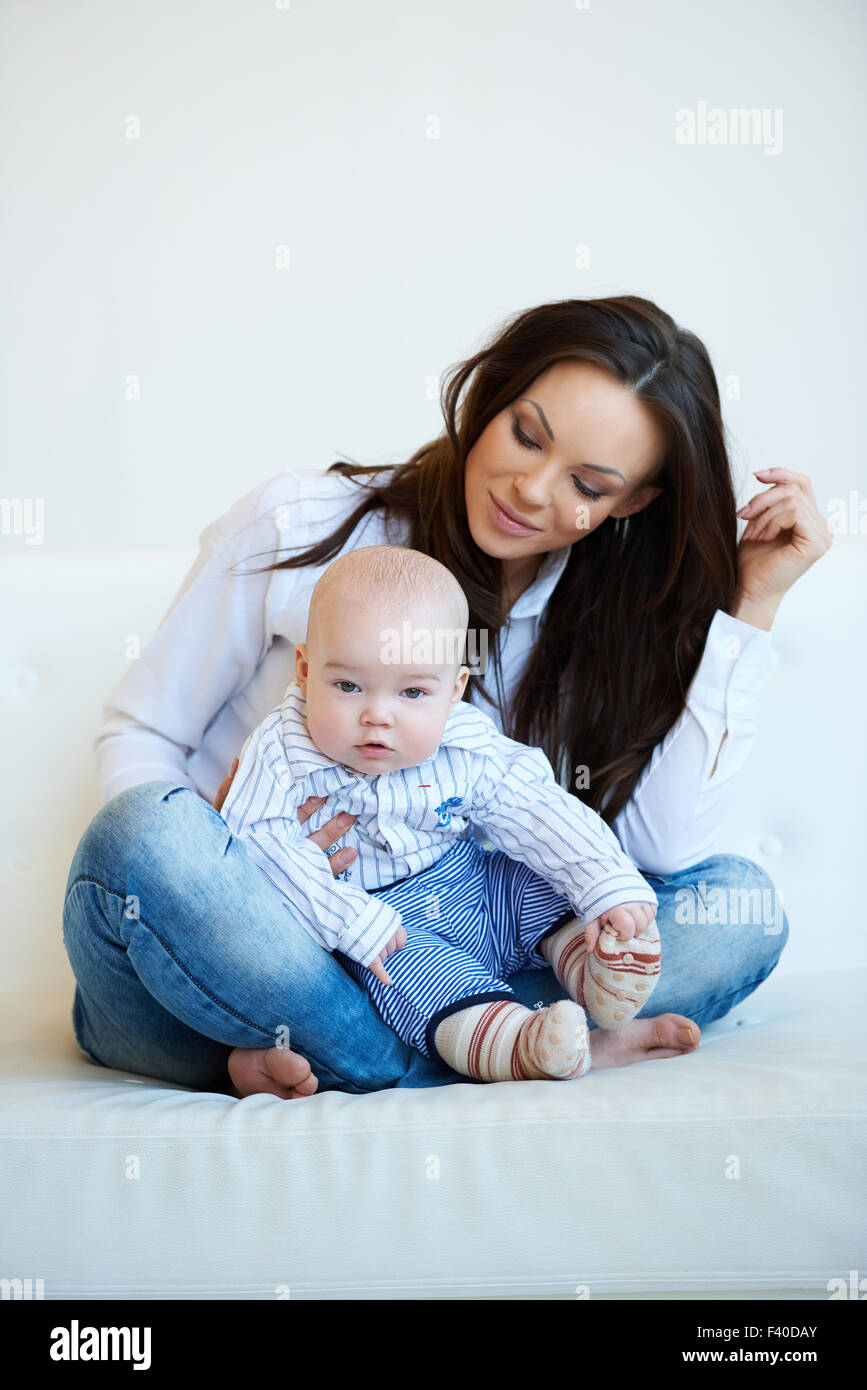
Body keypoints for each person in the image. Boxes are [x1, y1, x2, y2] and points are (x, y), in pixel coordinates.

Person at [62, 295, 832, 1099]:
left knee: (736, 906)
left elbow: (656, 854)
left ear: (631, 503)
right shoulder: (301, 524)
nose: (529, 489)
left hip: (445, 943)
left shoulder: (605, 623)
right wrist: (230, 855)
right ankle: (458, 1048)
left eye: (587, 484)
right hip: (258, 941)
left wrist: (751, 608)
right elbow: (140, 732)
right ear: (489, 398)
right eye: (524, 434)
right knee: (148, 836)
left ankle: (425, 1041)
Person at [219, 543, 662, 1084]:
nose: (377, 715)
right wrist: (347, 918)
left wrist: (604, 880)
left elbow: (533, 805)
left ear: (453, 691)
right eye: (347, 686)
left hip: (473, 882)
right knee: (410, 978)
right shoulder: (281, 749)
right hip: (385, 923)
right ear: (306, 670)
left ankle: (594, 964)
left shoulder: (465, 742)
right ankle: (517, 1042)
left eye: (411, 692)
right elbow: (255, 842)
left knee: (541, 883)